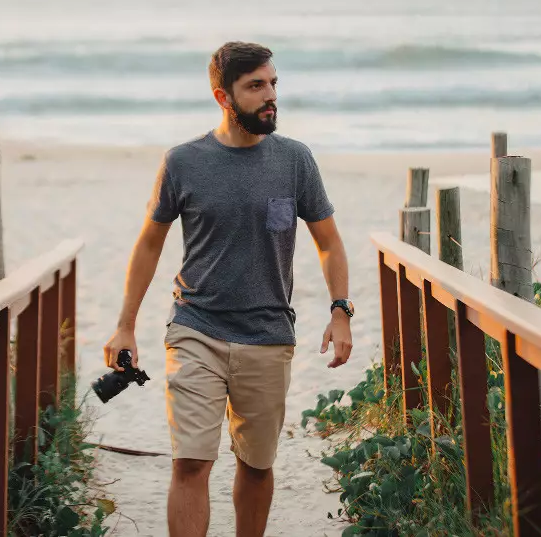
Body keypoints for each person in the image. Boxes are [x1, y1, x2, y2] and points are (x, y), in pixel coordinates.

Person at [103, 41, 354, 537]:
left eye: (273, 83)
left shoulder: (295, 161)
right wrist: (124, 325)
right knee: (191, 463)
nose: (270, 96)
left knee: (256, 465)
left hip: (268, 332)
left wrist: (340, 310)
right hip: (196, 328)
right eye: (256, 86)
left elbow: (328, 242)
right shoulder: (183, 162)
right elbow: (149, 245)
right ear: (224, 96)